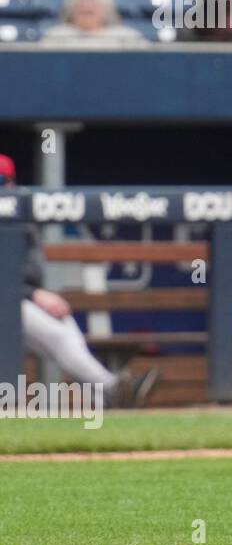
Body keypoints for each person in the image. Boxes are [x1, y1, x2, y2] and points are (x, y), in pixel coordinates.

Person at [3, 155, 159, 408]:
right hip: (10, 303)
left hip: (14, 302)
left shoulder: (21, 219)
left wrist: (32, 294)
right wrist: (33, 295)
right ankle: (110, 390)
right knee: (52, 331)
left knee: (61, 322)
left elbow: (24, 274)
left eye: (3, 182)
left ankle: (107, 396)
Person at [41, 0, 146, 46]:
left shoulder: (127, 38)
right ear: (70, 7)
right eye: (81, 1)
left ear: (106, 7)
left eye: (92, 1)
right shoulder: (55, 38)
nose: (86, 6)